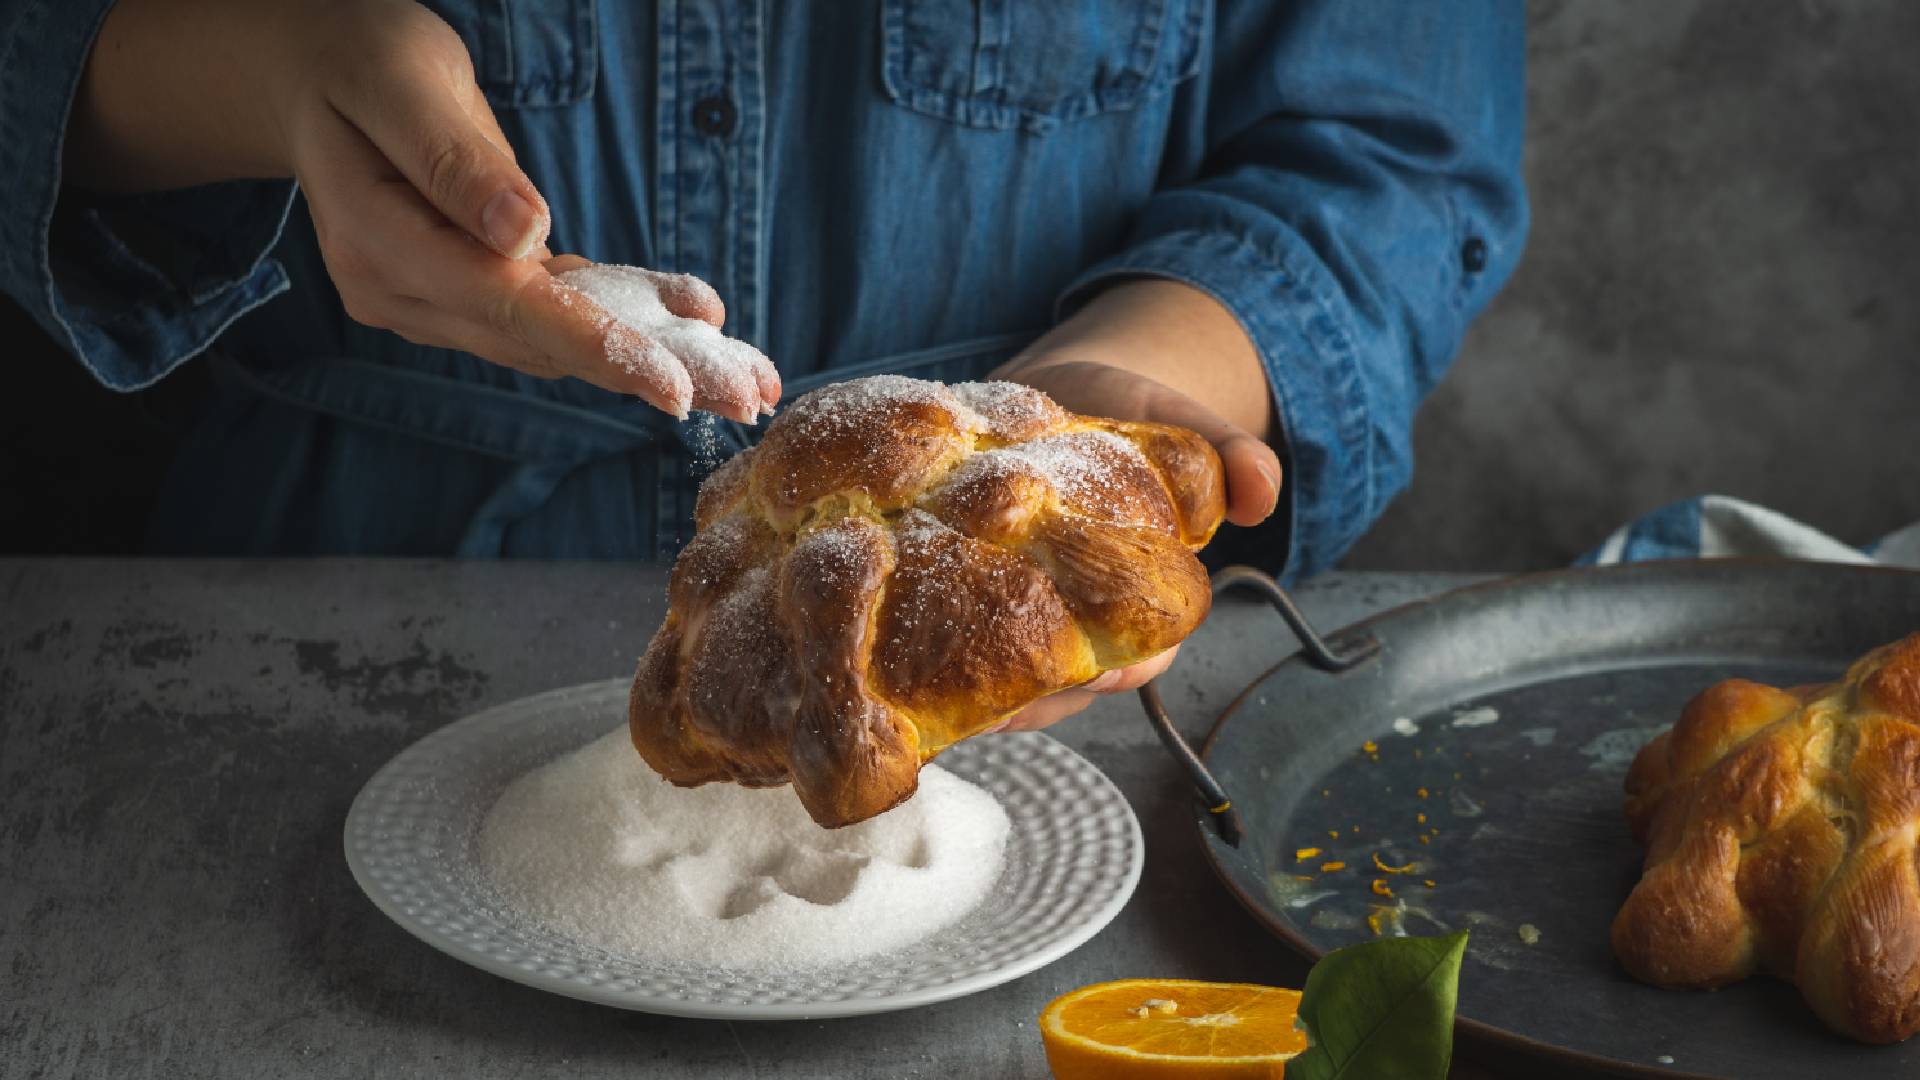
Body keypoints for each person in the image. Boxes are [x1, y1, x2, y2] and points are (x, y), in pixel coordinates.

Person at [0, 0, 1526, 727]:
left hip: (1011, 699)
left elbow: (1389, 141)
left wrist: (1122, 382)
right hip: (300, 662)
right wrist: (266, 67)